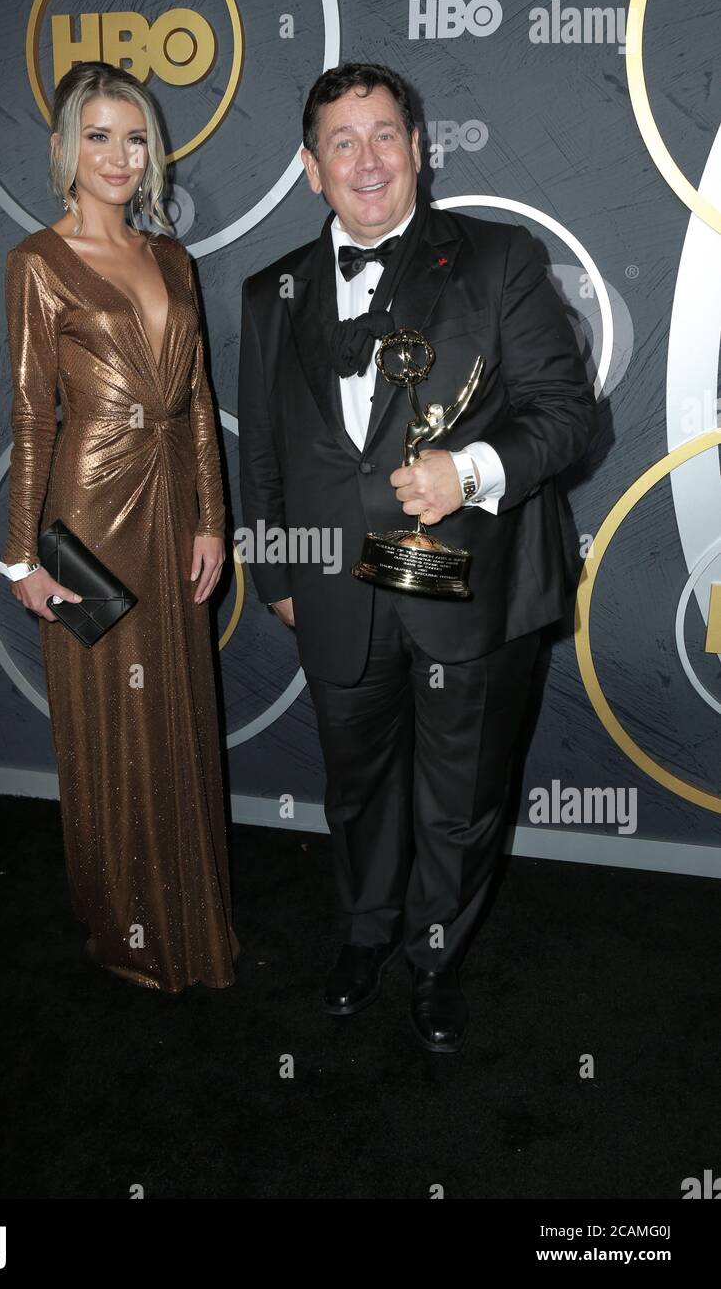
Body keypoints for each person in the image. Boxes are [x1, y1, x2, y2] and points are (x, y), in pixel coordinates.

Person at [238, 62, 597, 1052]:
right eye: (340, 142)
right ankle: (364, 932)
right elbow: (261, 454)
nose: (365, 160)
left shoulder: (496, 259)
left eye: (383, 134)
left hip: (468, 592)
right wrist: (275, 577)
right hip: (330, 596)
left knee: (459, 798)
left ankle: (434, 954)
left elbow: (566, 417)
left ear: (418, 147)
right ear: (310, 168)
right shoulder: (268, 292)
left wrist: (471, 469)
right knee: (354, 787)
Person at [0, 60, 239, 992]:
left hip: (172, 509)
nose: (117, 155)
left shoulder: (172, 258)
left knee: (177, 716)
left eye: (133, 137)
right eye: (97, 135)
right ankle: (127, 933)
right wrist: (23, 554)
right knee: (111, 728)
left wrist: (211, 518)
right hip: (89, 523)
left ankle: (192, 916)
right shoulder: (36, 262)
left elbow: (199, 397)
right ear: (66, 148)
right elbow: (30, 416)